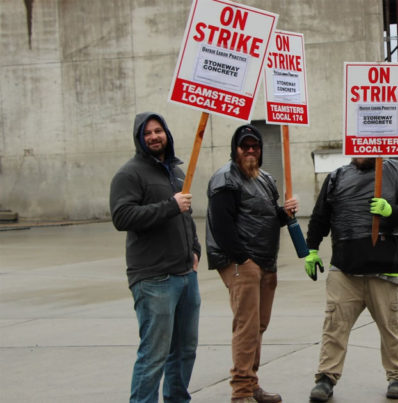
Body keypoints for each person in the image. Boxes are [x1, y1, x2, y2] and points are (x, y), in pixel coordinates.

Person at [303, 157, 398, 402]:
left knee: (391, 329)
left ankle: (397, 376)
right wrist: (311, 249)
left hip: (385, 270)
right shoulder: (336, 178)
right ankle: (326, 377)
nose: (362, 154)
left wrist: (390, 211)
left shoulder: (395, 174)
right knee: (334, 326)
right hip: (345, 270)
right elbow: (320, 216)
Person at [110, 112, 201, 403]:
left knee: (185, 350)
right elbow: (122, 217)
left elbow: (185, 215)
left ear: (166, 133)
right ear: (139, 138)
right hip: (154, 279)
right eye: (147, 133)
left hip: (186, 275)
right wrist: (169, 206)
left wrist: (195, 249)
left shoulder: (174, 171)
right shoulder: (129, 174)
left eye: (158, 130)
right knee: (154, 355)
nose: (153, 136)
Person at [205, 125, 297, 403]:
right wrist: (244, 260)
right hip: (241, 262)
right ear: (235, 149)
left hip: (266, 261)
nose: (250, 151)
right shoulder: (225, 180)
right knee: (247, 326)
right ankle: (241, 391)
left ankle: (252, 383)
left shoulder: (265, 179)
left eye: (254, 146)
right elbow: (221, 226)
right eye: (244, 146)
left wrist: (285, 213)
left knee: (259, 325)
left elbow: (267, 218)